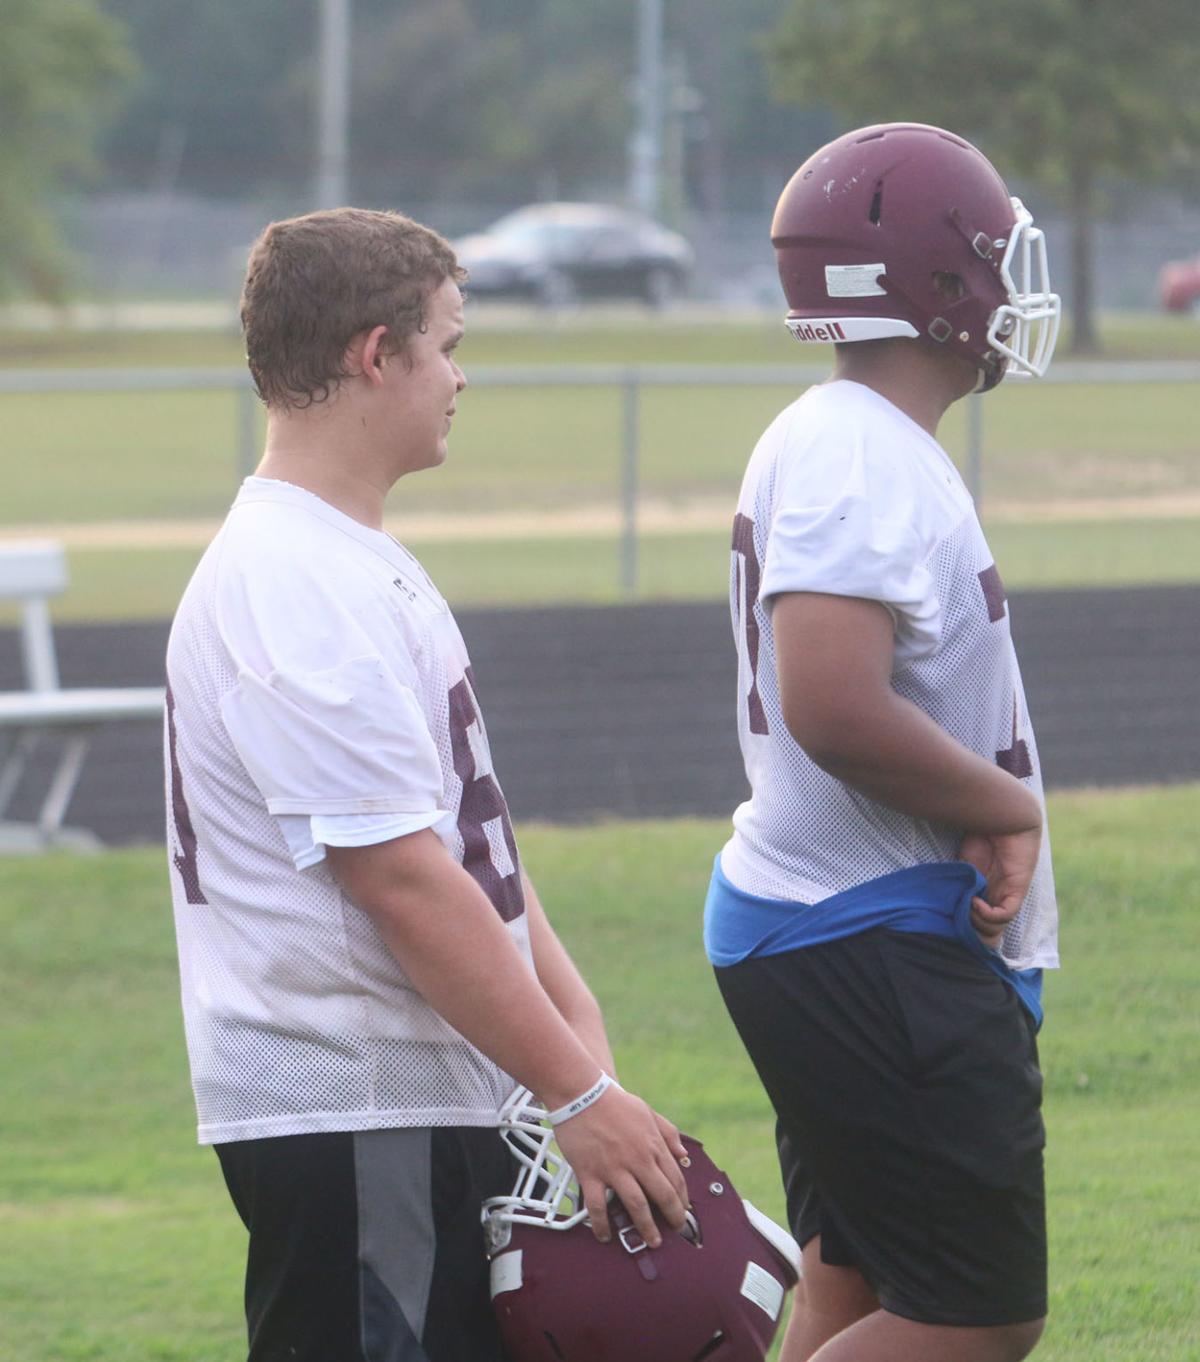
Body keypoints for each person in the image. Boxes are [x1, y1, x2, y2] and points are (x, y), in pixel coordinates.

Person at [163, 206, 689, 1362]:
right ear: (373, 353)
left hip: (430, 1096)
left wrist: (570, 1031)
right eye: (447, 343)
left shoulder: (349, 558)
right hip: (361, 1105)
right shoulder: (292, 580)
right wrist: (577, 1094)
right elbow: (398, 877)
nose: (461, 376)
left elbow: (457, 840)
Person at [706, 123, 1063, 1362]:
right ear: (940, 279)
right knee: (974, 1320)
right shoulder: (862, 454)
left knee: (853, 1292)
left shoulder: (846, 435)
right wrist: (1005, 805)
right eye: (996, 255)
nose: (1015, 285)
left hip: (833, 920)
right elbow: (834, 701)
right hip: (868, 932)